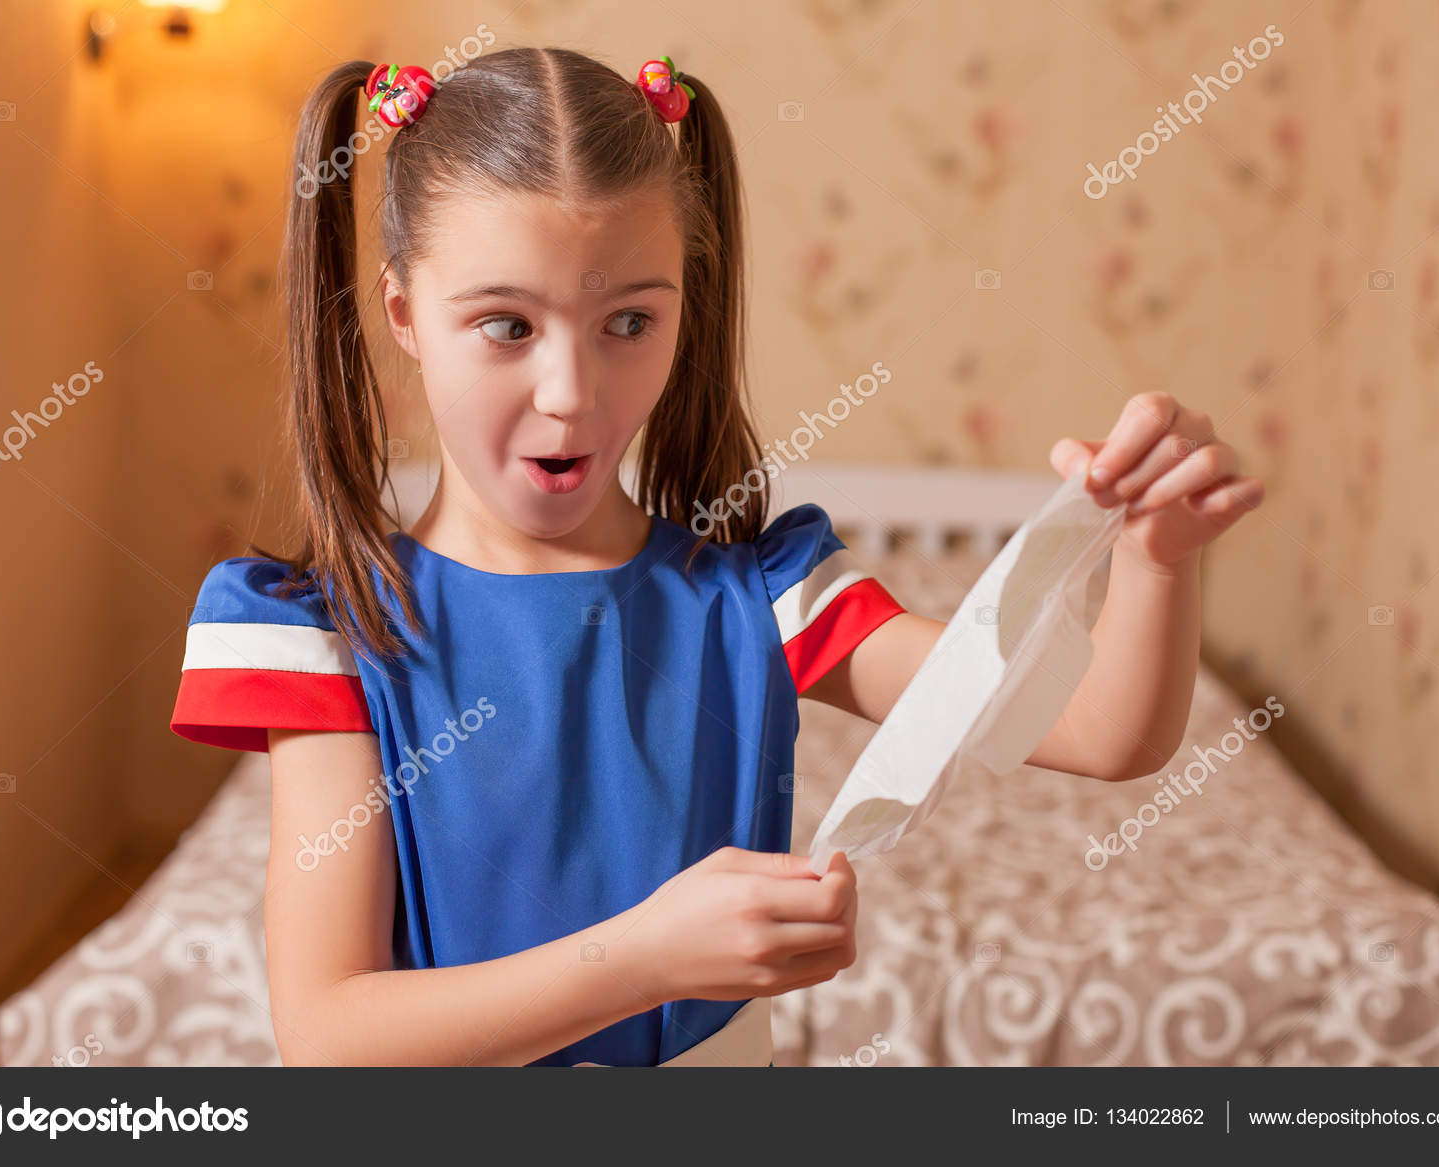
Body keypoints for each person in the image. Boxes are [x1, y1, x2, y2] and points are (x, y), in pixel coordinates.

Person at [170, 47, 1263, 1068]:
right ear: (404, 315)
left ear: (684, 311)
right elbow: (327, 1037)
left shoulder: (764, 601)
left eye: (629, 323)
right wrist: (640, 960)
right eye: (506, 326)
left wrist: (1158, 560)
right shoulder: (333, 634)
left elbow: (1106, 733)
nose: (572, 393)